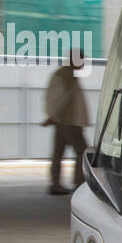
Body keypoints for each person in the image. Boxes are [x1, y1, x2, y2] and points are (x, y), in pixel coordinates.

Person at [42, 49, 90, 194]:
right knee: (82, 151)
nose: (83, 63)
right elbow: (59, 99)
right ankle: (79, 182)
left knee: (58, 152)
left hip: (62, 121)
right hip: (69, 122)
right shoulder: (65, 76)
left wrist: (53, 117)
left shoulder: (66, 75)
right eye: (81, 59)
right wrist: (52, 116)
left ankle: (55, 184)